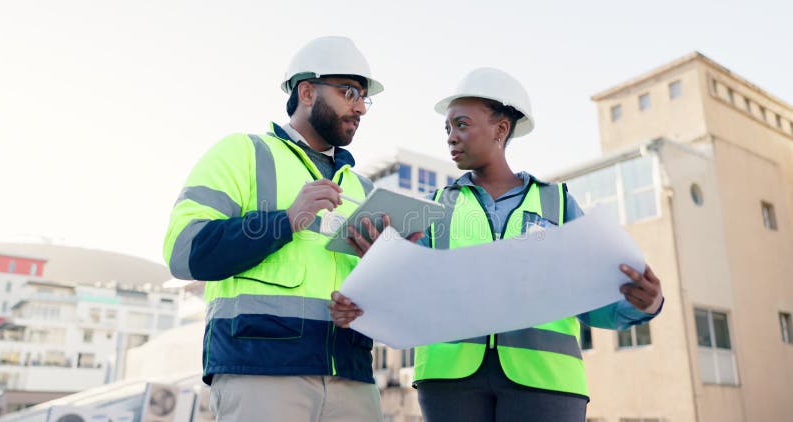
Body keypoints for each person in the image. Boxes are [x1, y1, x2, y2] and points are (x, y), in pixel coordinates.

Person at [330, 67, 664, 421]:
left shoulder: (557, 203)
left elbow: (590, 297)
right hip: (450, 381)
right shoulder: (434, 207)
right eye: (447, 128)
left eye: (461, 124)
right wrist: (367, 294)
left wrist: (643, 304)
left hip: (546, 381)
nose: (450, 137)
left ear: (501, 129)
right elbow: (411, 297)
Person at [163, 36, 386, 422]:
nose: (361, 107)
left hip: (352, 376)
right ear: (306, 91)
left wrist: (383, 263)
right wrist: (284, 221)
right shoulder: (242, 153)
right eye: (350, 91)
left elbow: (376, 300)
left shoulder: (364, 190)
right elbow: (185, 252)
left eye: (365, 97)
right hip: (260, 373)